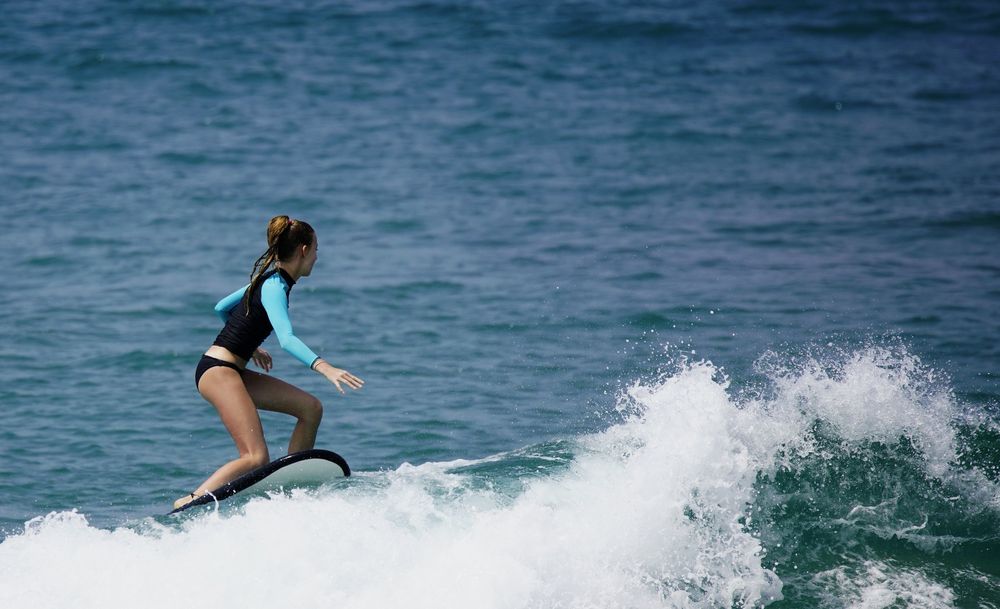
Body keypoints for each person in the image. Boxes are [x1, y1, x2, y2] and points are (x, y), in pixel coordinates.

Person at [174, 215, 364, 510]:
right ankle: (189, 503)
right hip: (217, 371)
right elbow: (286, 339)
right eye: (316, 249)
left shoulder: (270, 279)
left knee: (310, 408)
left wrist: (249, 349)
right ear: (302, 250)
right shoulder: (275, 286)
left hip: (230, 369)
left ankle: (293, 486)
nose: (317, 257)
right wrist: (324, 367)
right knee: (255, 457)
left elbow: (221, 307)